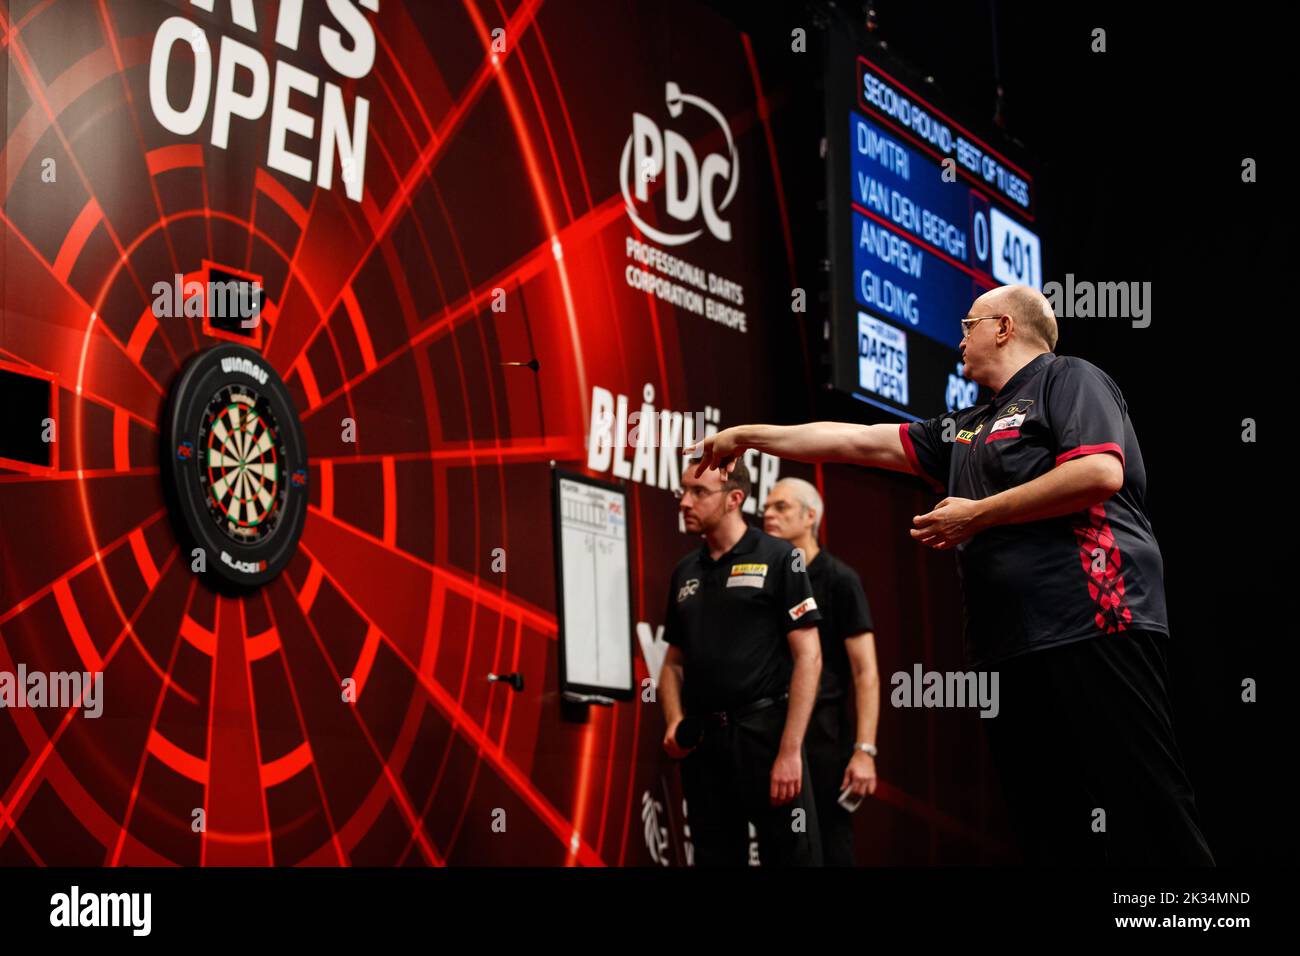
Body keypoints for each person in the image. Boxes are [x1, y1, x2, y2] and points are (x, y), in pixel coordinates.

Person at [688, 284, 1214, 866]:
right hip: (1009, 647)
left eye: (968, 324)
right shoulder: (965, 427)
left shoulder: (1067, 379)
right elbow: (855, 439)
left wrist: (978, 513)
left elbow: (1097, 472)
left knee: (1146, 800)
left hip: (1097, 624)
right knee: (1045, 820)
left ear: (1005, 328)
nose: (959, 339)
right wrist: (747, 436)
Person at [658, 457, 824, 866]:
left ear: (734, 499)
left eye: (699, 492)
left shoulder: (780, 557)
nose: (685, 502)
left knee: (793, 859)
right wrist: (675, 721)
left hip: (766, 739)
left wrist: (790, 751)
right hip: (705, 747)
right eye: (684, 490)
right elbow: (672, 665)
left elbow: (810, 657)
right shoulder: (684, 573)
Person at [762, 478, 879, 866]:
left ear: (811, 516)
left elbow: (865, 672)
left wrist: (864, 750)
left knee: (829, 845)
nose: (768, 513)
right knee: (781, 847)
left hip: (824, 737)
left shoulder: (841, 580)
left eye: (781, 507)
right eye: (767, 505)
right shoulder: (769, 577)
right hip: (771, 731)